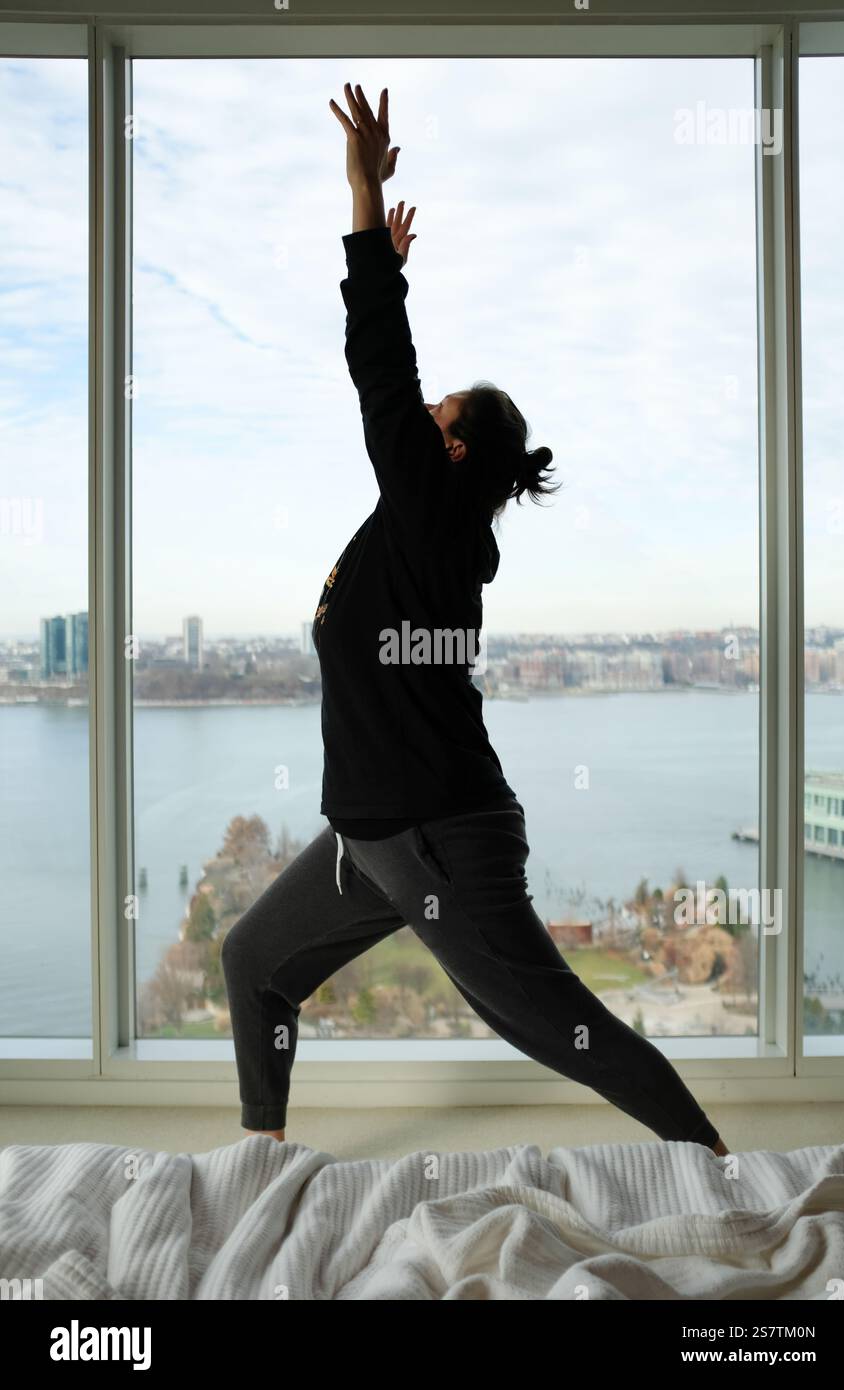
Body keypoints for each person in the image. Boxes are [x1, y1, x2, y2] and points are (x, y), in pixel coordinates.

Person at [221, 82, 729, 1158]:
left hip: (437, 834)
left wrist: (361, 201)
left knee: (558, 1024)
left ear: (448, 450)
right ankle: (259, 1157)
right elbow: (391, 387)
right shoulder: (416, 530)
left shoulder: (435, 525)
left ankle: (712, 1165)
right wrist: (388, 272)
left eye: (434, 412)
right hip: (371, 834)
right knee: (253, 958)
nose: (415, 415)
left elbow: (377, 369)